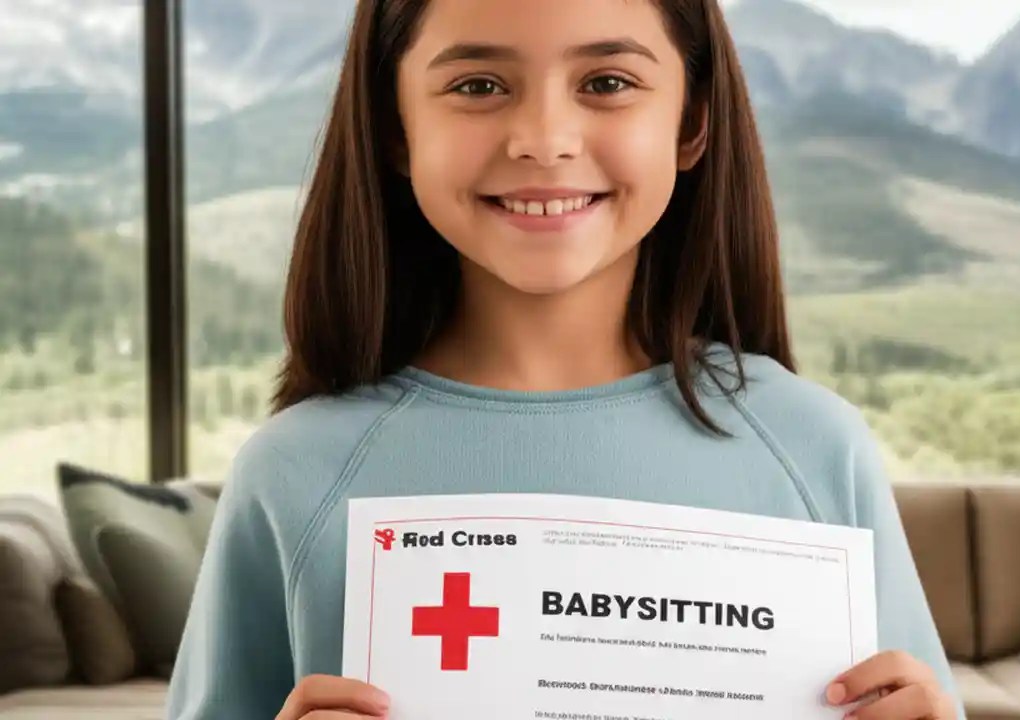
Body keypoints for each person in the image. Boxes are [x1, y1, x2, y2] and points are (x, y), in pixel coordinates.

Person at [165, 0, 964, 718]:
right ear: (394, 128)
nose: (544, 141)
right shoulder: (293, 474)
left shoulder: (816, 448)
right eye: (478, 86)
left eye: (608, 82)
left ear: (692, 123)